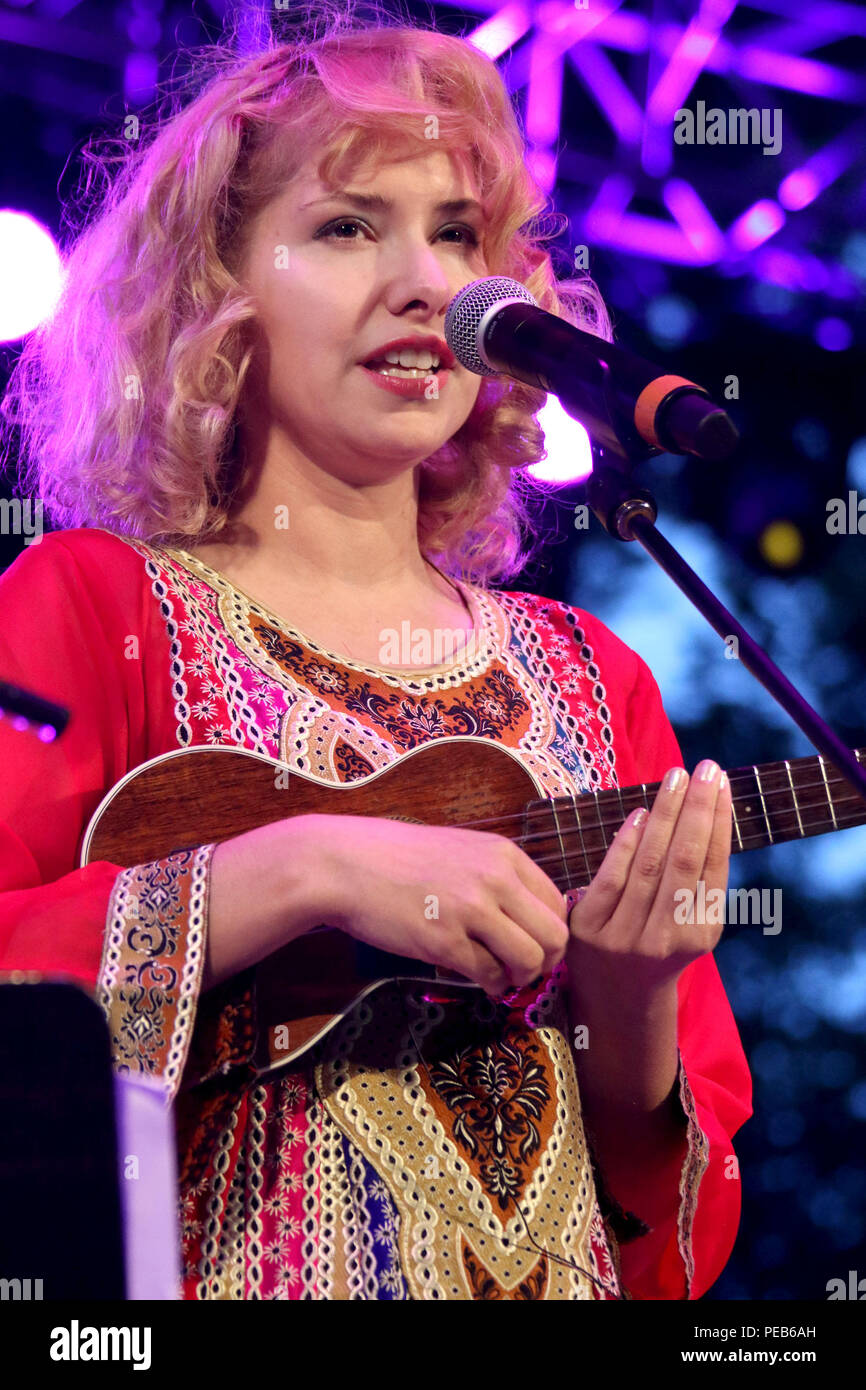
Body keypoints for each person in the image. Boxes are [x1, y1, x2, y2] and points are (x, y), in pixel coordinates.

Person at [0, 7, 751, 1300]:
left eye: (457, 234)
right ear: (212, 291)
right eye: (348, 226)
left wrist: (630, 1001)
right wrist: (303, 866)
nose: (430, 285)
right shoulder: (94, 606)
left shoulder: (594, 677)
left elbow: (668, 1249)